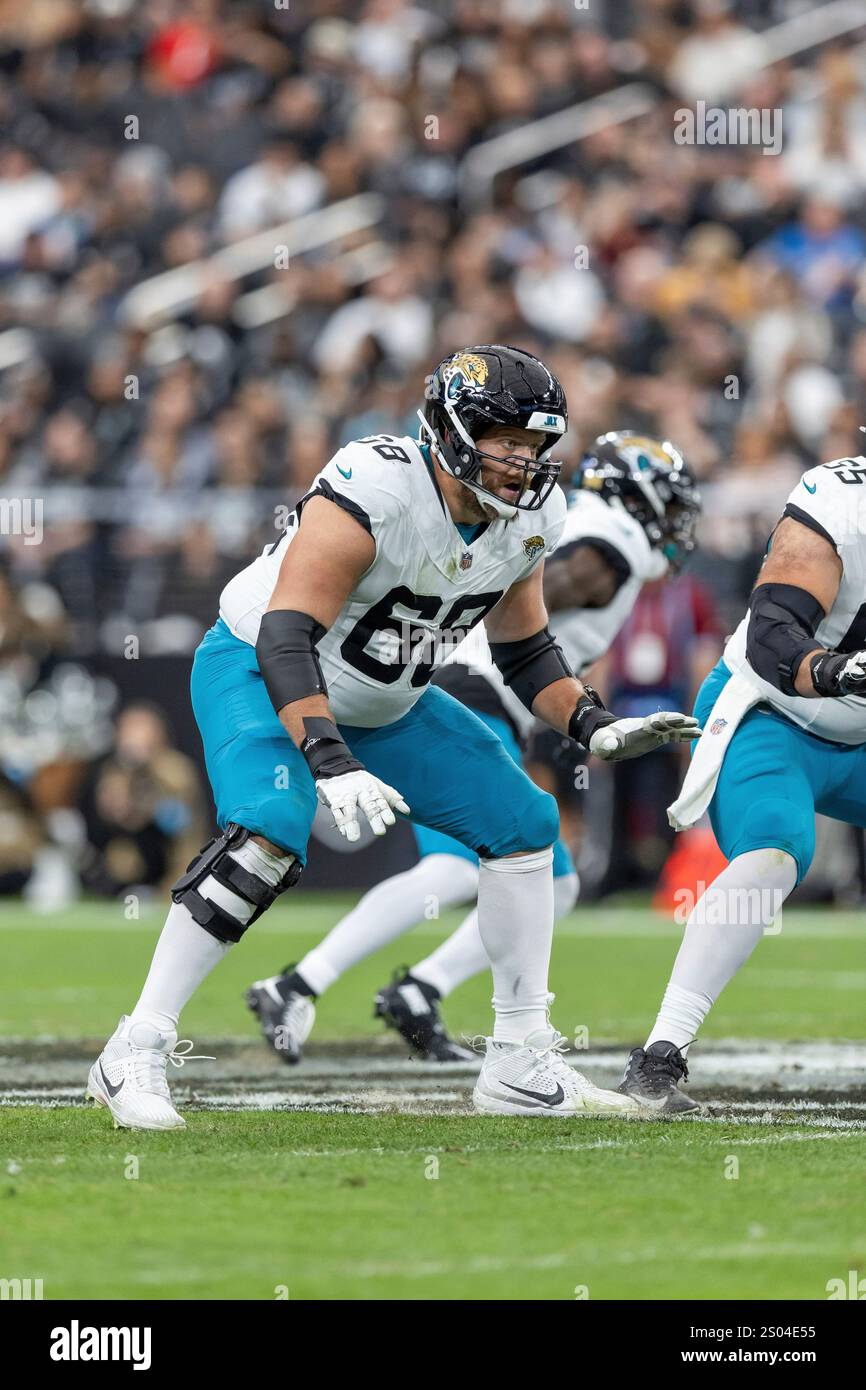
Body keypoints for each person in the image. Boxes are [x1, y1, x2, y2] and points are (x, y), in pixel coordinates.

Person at [87, 345, 698, 1130]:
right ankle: (135, 1046)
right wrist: (327, 757)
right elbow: (285, 633)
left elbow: (524, 648)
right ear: (450, 428)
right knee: (268, 833)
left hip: (387, 700)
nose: (523, 462)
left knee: (526, 828)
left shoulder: (534, 516)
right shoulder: (376, 482)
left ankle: (518, 1060)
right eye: (506, 439)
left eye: (536, 445)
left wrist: (593, 724)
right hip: (263, 672)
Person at [246, 432, 701, 1064]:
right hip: (476, 687)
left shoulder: (576, 519)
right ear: (639, 495)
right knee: (473, 863)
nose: (676, 526)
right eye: (671, 507)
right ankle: (302, 984)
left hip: (485, 693)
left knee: (550, 877)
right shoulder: (612, 544)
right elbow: (525, 614)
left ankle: (416, 989)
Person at [619, 451, 866, 1113]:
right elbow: (772, 634)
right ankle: (658, 1059)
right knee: (775, 849)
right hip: (773, 711)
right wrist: (836, 670)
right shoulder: (843, 501)